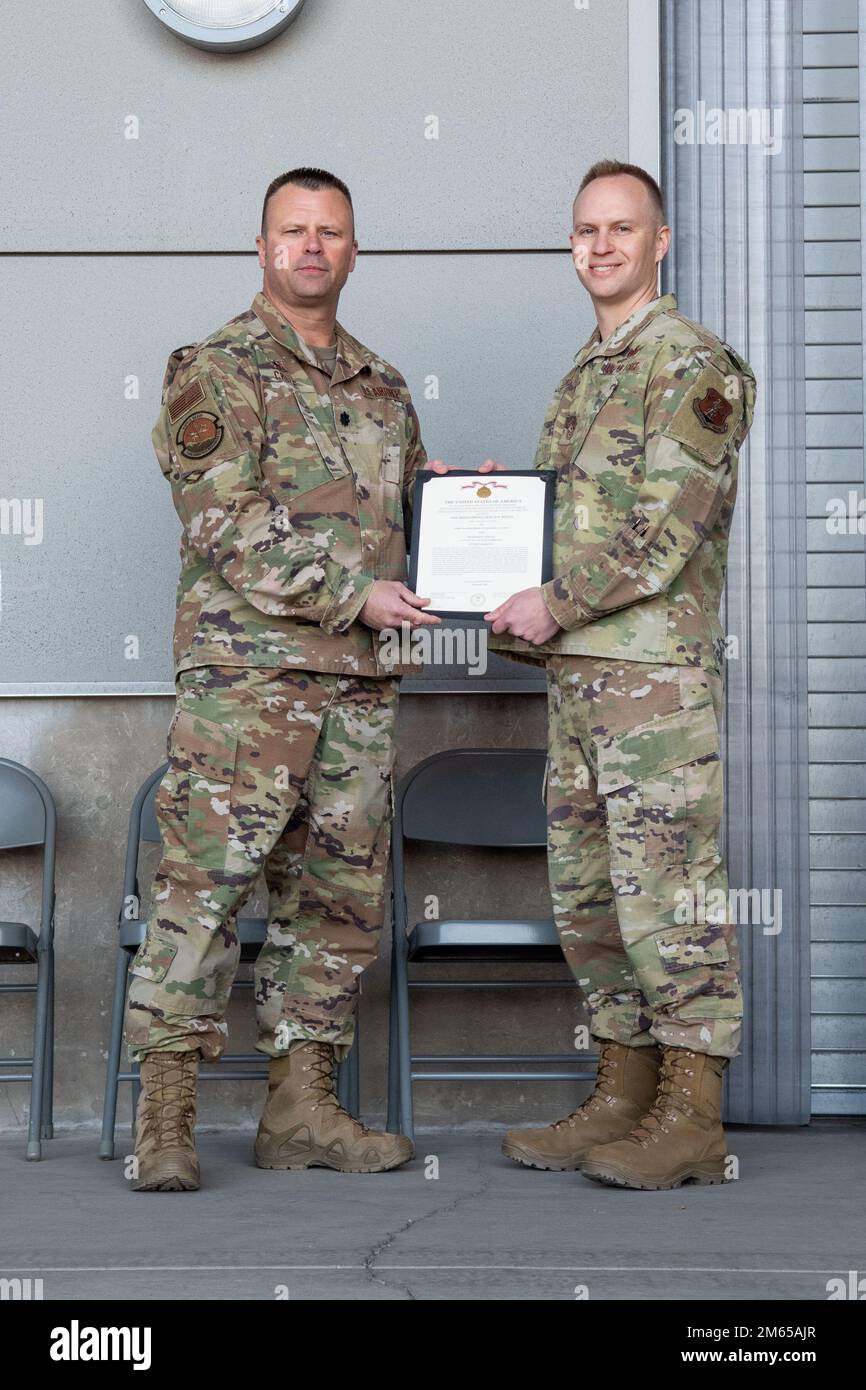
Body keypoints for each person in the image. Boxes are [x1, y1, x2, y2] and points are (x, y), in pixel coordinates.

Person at [123, 167, 439, 1190]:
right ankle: (164, 1117)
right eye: (292, 230)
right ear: (261, 247)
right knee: (204, 889)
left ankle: (302, 1105)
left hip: (357, 685)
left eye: (330, 232)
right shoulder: (211, 370)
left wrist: (457, 507)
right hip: (248, 684)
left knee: (336, 900)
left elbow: (408, 529)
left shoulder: (383, 386)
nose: (311, 247)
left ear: (354, 251)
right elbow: (224, 521)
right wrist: (358, 592)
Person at [448, 158, 756, 1189]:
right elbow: (559, 536)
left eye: (622, 228)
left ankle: (692, 1118)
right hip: (578, 683)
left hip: (652, 689)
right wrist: (471, 530)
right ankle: (623, 1092)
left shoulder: (695, 367)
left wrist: (556, 598)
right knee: (590, 899)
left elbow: (660, 531)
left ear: (658, 242)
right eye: (585, 229)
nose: (601, 244)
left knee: (668, 895)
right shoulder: (581, 377)